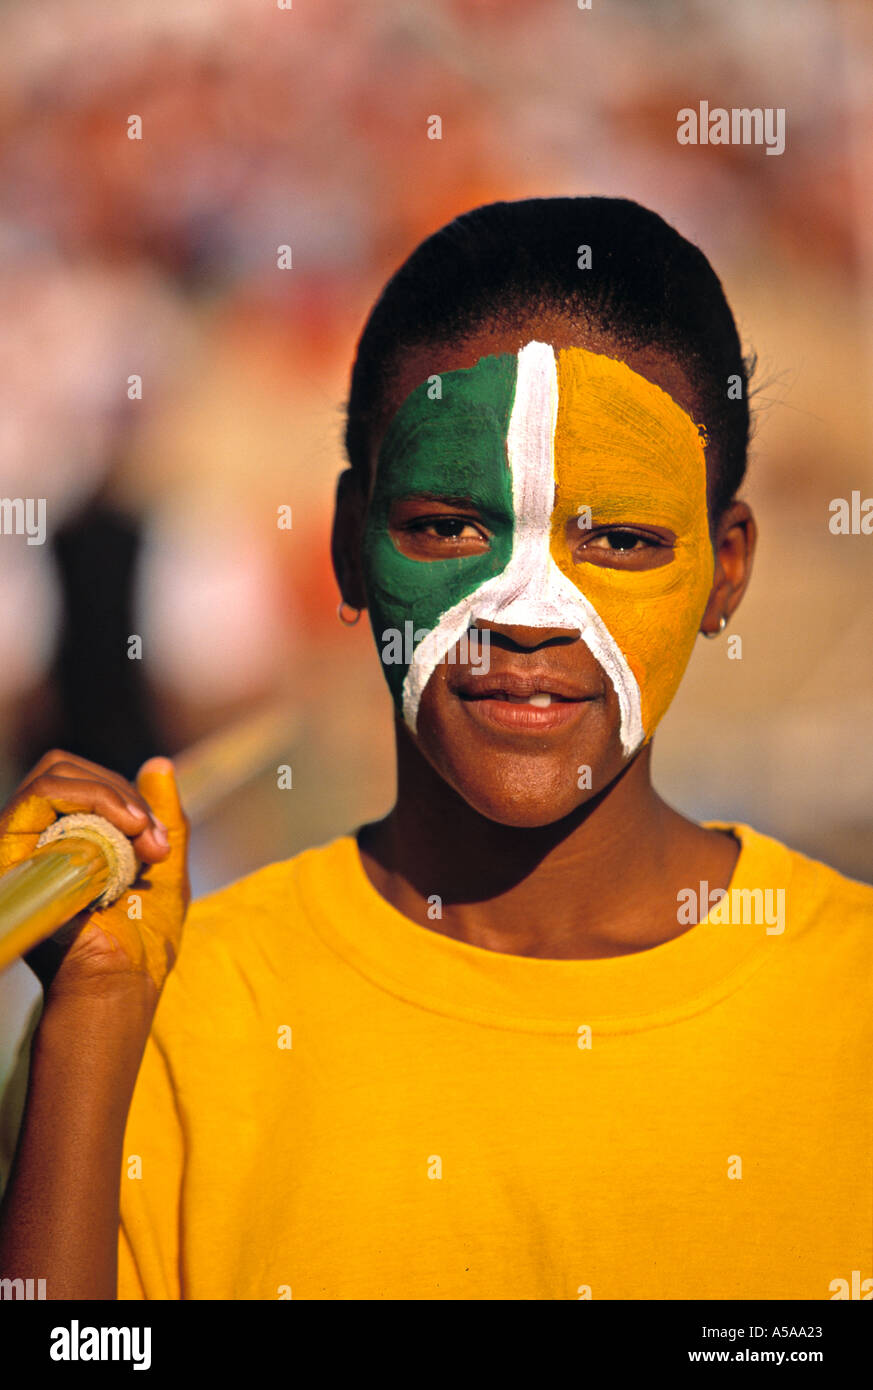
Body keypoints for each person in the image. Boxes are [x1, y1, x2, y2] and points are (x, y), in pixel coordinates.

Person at [0, 197, 870, 1301]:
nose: (530, 611)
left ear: (726, 568)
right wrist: (93, 1026)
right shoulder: (168, 1006)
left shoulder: (854, 1000)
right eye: (451, 524)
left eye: (619, 537)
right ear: (348, 547)